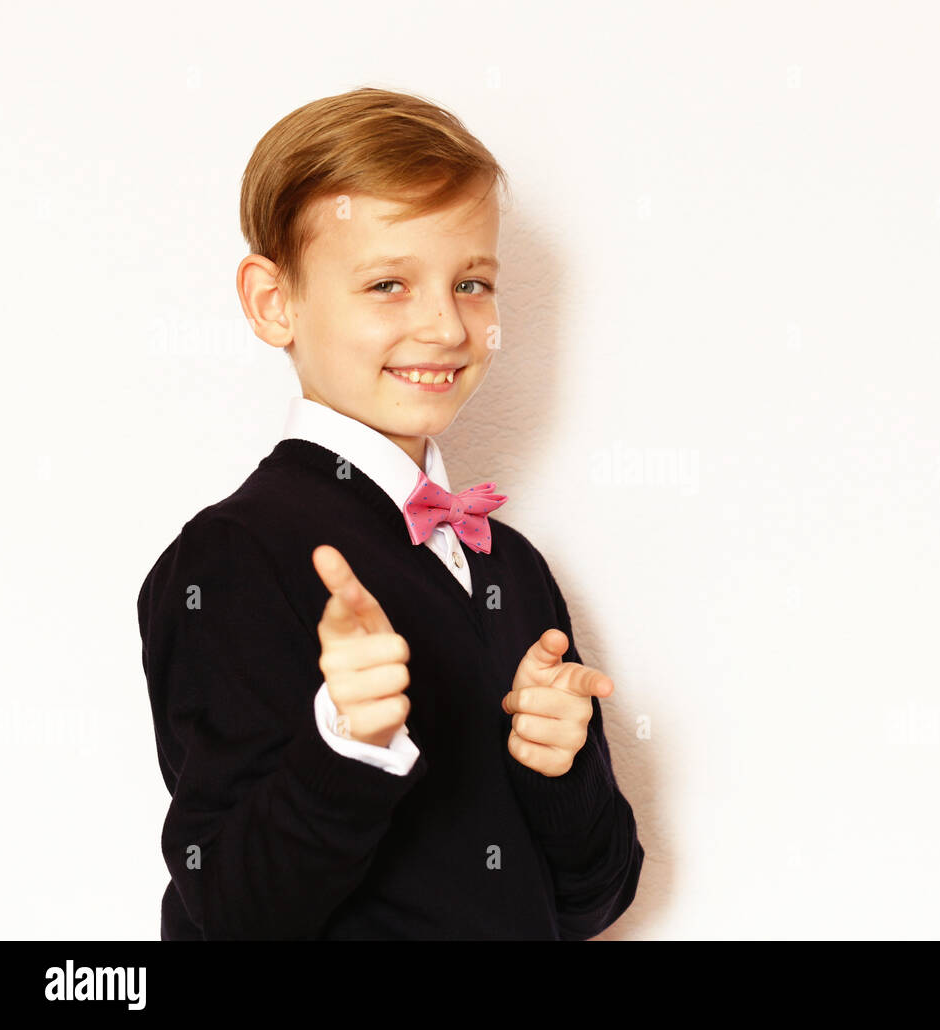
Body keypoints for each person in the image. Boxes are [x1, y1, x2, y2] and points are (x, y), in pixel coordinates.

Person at [136, 86, 644, 940]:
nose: (445, 325)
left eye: (472, 282)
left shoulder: (507, 565)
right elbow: (227, 911)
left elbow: (592, 900)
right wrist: (348, 742)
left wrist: (556, 771)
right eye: (387, 284)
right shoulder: (233, 556)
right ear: (272, 302)